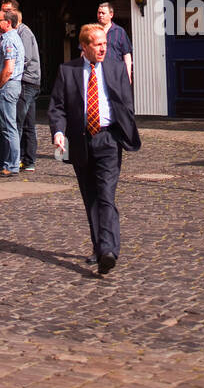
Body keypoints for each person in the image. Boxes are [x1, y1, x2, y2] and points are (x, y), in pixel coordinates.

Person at [48, 22, 141, 276]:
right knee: (90, 198)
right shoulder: (68, 71)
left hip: (108, 139)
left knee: (106, 196)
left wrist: (125, 128)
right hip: (80, 141)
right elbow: (57, 106)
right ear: (85, 46)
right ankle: (99, 247)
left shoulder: (116, 67)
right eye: (98, 44)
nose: (103, 49)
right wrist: (58, 132)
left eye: (105, 44)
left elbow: (125, 102)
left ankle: (109, 251)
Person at [1, 0, 41, 171]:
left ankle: (15, 160)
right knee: (27, 121)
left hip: (26, 80)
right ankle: (27, 159)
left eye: (8, 10)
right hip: (28, 80)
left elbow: (25, 57)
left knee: (18, 121)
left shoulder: (23, 32)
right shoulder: (16, 33)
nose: (5, 14)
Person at [0, 11, 24, 175]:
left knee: (8, 126)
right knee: (7, 126)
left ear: (8, 22)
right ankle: (8, 162)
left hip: (8, 86)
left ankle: (12, 164)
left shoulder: (9, 40)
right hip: (11, 85)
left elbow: (8, 68)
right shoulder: (10, 38)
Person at [97, 2, 133, 82]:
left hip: (115, 75)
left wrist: (128, 75)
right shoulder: (92, 31)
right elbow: (84, 52)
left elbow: (126, 54)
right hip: (96, 74)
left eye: (103, 13)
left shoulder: (120, 32)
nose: (100, 15)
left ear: (111, 15)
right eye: (99, 13)